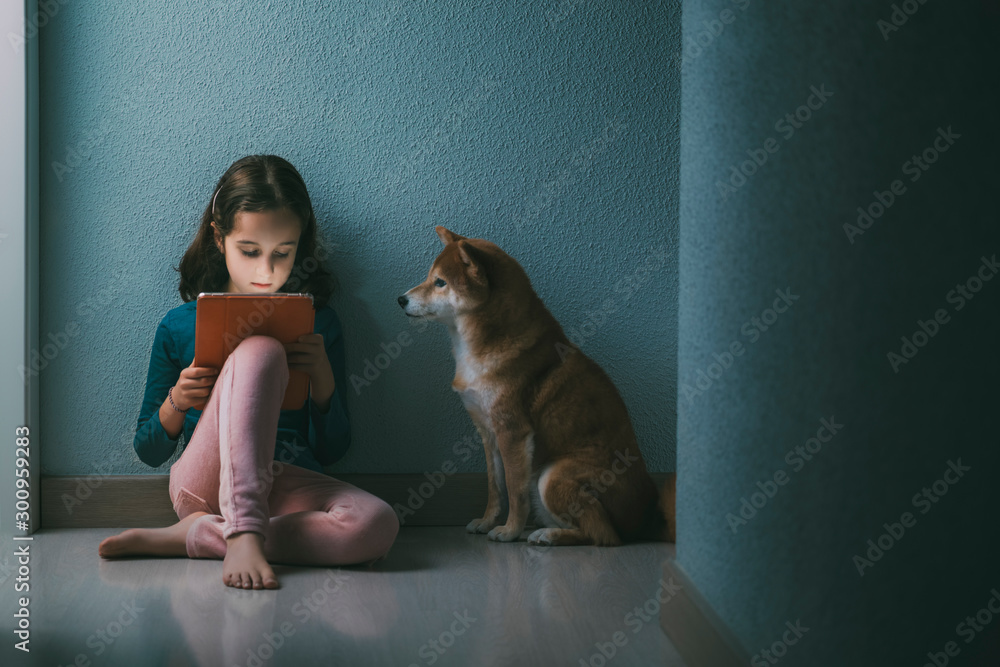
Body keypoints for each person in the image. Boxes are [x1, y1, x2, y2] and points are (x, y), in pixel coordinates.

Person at [98, 155, 399, 590]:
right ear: (219, 238)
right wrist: (176, 402)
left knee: (377, 523)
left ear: (300, 245)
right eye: (250, 251)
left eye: (283, 253)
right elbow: (148, 450)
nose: (266, 271)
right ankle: (241, 534)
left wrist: (323, 384)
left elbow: (333, 451)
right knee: (260, 349)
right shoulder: (178, 325)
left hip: (283, 482)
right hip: (206, 483)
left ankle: (197, 535)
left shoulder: (320, 323)